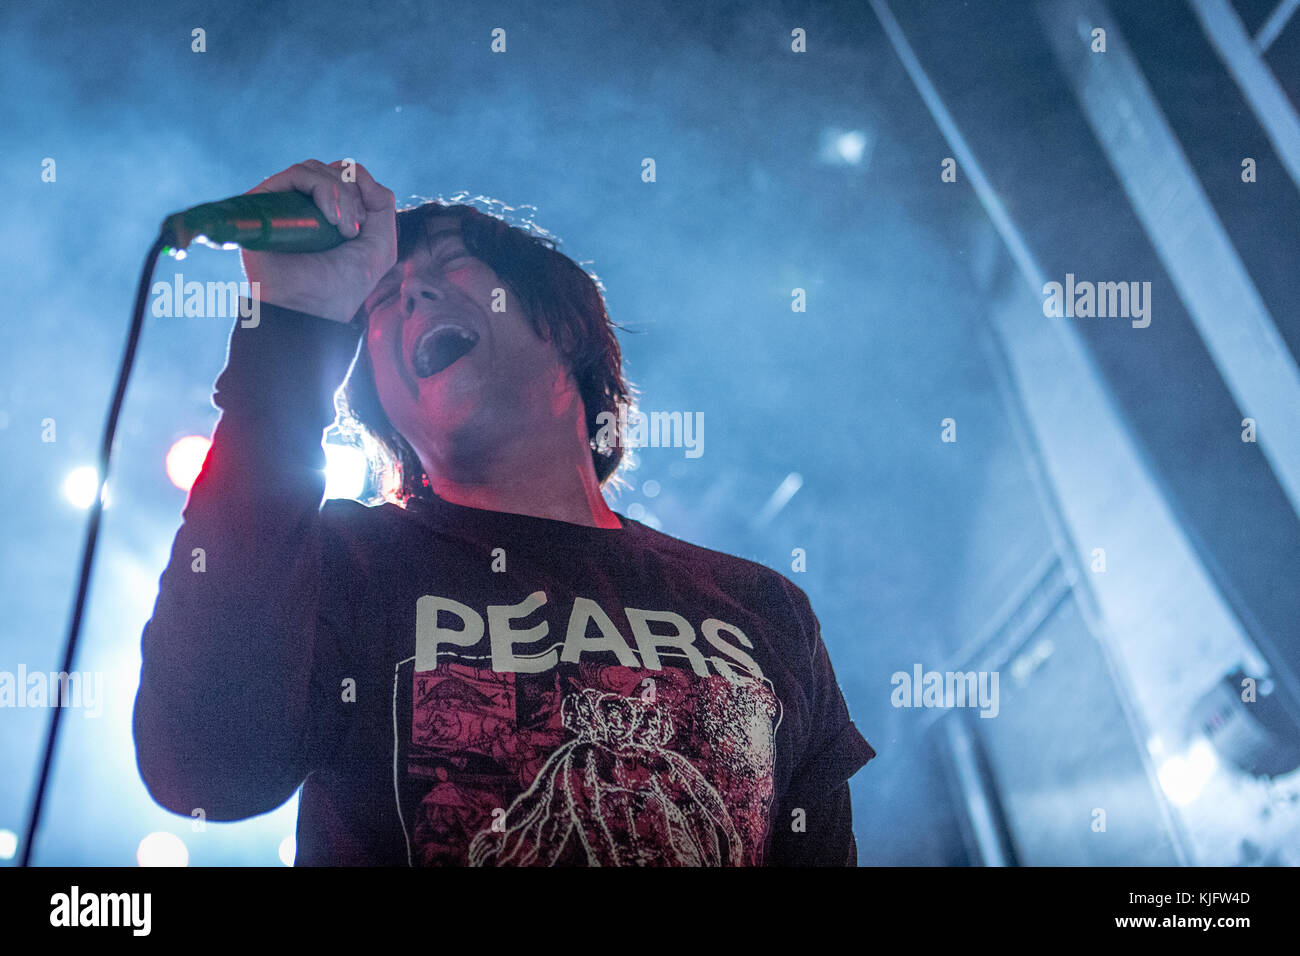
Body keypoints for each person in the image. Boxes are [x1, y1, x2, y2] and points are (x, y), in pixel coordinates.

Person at [132, 158, 875, 866]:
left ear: (567, 326)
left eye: (451, 264)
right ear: (381, 406)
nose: (413, 295)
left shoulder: (761, 607)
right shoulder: (342, 565)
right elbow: (206, 770)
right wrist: (293, 328)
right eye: (386, 296)